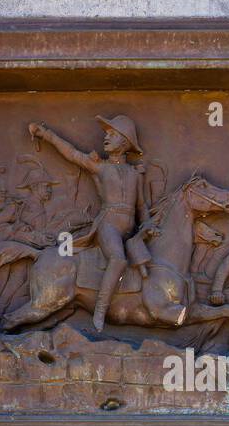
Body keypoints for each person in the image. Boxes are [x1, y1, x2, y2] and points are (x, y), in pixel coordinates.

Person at [27, 115, 149, 331]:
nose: (106, 136)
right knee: (118, 260)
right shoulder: (100, 167)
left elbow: (141, 207)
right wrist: (46, 135)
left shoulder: (135, 174)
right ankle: (100, 310)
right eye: (106, 133)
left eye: (112, 134)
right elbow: (72, 154)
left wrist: (149, 225)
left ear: (125, 142)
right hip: (109, 225)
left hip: (129, 231)